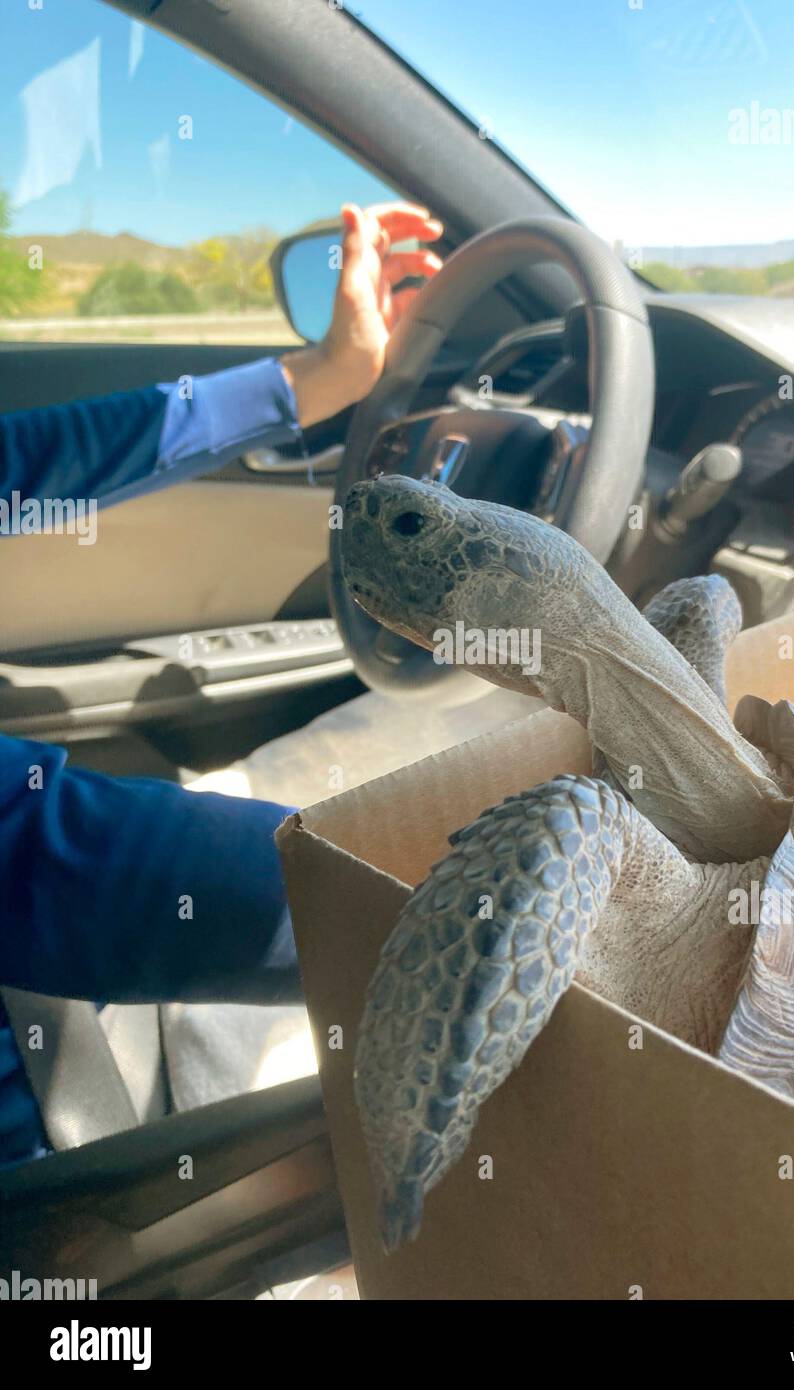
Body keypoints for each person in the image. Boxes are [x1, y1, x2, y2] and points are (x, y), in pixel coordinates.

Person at [0, 202, 443, 1166]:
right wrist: (460, 906)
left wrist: (322, 377)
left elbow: (31, 461)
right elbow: (37, 861)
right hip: (48, 1150)